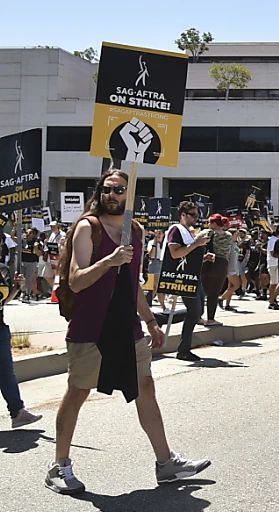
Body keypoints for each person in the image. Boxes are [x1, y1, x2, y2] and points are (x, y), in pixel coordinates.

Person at [46, 169, 210, 495]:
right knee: (78, 392)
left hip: (127, 327)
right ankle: (59, 465)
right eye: (106, 189)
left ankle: (166, 463)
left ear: (128, 195)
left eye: (119, 190)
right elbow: (76, 280)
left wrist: (150, 320)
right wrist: (109, 260)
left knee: (145, 387)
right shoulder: (87, 228)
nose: (111, 195)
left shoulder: (134, 230)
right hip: (91, 327)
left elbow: (132, 285)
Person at [164, 201, 212, 361]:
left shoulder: (188, 232)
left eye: (197, 215)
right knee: (194, 311)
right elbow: (175, 253)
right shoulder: (176, 230)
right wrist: (196, 244)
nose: (195, 219)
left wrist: (203, 257)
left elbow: (188, 255)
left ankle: (161, 318)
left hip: (191, 276)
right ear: (182, 215)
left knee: (198, 311)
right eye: (192, 215)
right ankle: (183, 350)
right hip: (181, 278)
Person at [1, 268, 43, 429]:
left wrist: (17, 288)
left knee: (6, 372)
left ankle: (18, 412)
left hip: (1, 329)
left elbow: (2, 302)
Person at [198, 215, 231, 327]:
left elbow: (195, 243)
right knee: (214, 294)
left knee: (201, 291)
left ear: (214, 223)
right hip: (220, 265)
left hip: (205, 262)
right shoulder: (228, 236)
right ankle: (210, 319)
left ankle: (197, 316)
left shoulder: (205, 233)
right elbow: (227, 250)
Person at [220, 228, 246, 311]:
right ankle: (221, 298)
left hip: (235, 267)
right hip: (230, 268)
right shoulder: (228, 244)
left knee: (231, 286)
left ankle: (227, 304)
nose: (237, 236)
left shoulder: (235, 243)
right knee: (237, 285)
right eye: (236, 234)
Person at [19, 227, 43, 301]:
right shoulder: (23, 240)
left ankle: (28, 294)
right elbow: (13, 237)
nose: (27, 234)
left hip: (32, 262)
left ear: (33, 234)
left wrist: (35, 248)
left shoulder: (37, 242)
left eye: (29, 233)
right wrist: (14, 227)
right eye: (27, 232)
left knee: (29, 279)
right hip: (23, 262)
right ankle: (23, 292)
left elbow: (39, 254)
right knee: (21, 278)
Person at [43, 220, 65, 296]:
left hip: (57, 258)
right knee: (46, 275)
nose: (52, 228)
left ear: (58, 226)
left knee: (57, 276)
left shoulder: (62, 235)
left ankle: (58, 293)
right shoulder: (52, 234)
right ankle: (56, 291)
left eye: (53, 226)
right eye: (51, 226)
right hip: (50, 257)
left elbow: (62, 246)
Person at [145, 229, 166, 310]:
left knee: (154, 288)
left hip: (163, 264)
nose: (159, 235)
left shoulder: (165, 243)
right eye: (157, 233)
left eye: (160, 233)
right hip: (154, 263)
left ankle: (146, 305)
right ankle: (163, 306)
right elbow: (151, 254)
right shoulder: (151, 242)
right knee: (158, 285)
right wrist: (154, 242)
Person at [266, 224, 279, 310]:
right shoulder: (273, 240)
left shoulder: (276, 239)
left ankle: (272, 300)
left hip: (275, 264)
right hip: (274, 264)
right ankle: (272, 301)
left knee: (274, 283)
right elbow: (273, 253)